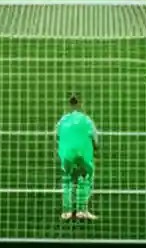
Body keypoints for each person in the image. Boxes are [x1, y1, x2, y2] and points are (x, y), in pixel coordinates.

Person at [56, 93, 98, 221]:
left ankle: (66, 212)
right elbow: (95, 139)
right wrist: (95, 149)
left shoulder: (62, 120)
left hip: (67, 155)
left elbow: (57, 138)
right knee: (85, 180)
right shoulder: (86, 120)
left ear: (69, 104)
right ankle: (81, 211)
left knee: (67, 181)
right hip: (83, 155)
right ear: (81, 104)